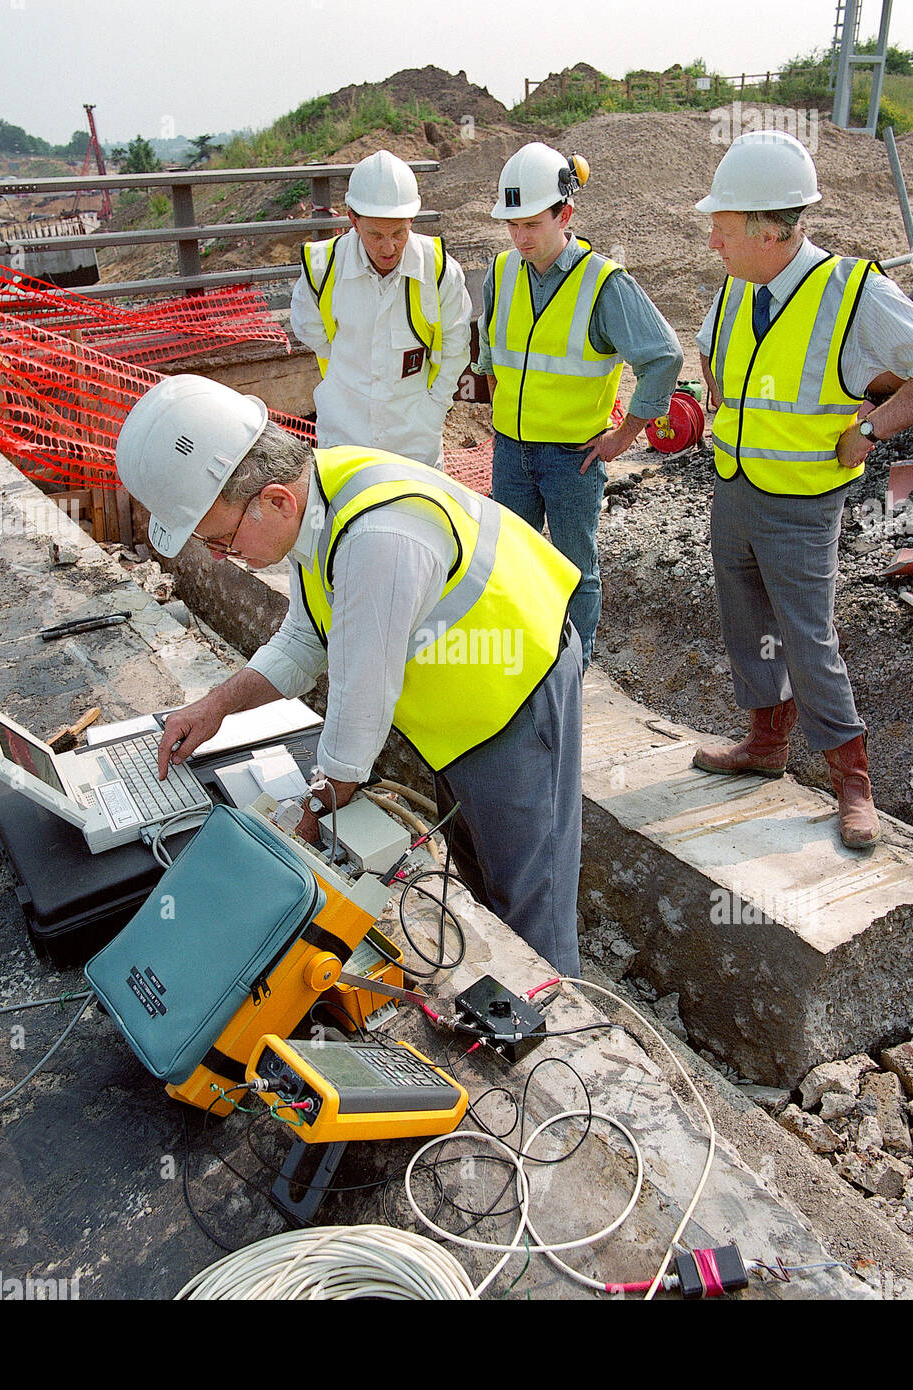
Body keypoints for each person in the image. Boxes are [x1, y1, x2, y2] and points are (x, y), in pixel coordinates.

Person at [115, 373, 585, 976]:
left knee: (531, 898)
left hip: (516, 697)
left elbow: (362, 703)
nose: (216, 557)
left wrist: (310, 818)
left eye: (221, 540)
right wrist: (214, 708)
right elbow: (306, 638)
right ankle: (500, 1002)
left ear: (275, 500)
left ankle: (561, 1034)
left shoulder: (379, 537)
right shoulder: (316, 500)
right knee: (483, 872)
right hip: (459, 715)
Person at [691, 130, 913, 848]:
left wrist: (872, 431)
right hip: (736, 485)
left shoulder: (852, 292)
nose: (714, 244)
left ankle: (853, 779)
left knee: (806, 637)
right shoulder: (739, 283)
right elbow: (708, 344)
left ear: (767, 230)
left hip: (803, 500)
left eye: (723, 230)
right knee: (745, 621)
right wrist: (722, 399)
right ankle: (765, 743)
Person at [475, 141, 684, 668]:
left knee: (574, 570)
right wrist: (498, 401)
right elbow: (489, 350)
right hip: (511, 453)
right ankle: (523, 665)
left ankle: (575, 668)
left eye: (531, 224)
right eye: (512, 225)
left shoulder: (603, 284)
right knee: (511, 564)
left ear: (564, 214)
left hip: (573, 457)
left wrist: (625, 436)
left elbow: (662, 356)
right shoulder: (500, 273)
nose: (520, 237)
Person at [290, 149, 472, 469]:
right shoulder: (322, 267)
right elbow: (309, 329)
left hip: (415, 442)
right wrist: (350, 368)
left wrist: (433, 411)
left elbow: (457, 348)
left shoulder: (440, 270)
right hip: (344, 438)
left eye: (398, 233)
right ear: (353, 220)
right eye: (375, 234)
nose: (388, 248)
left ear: (411, 220)